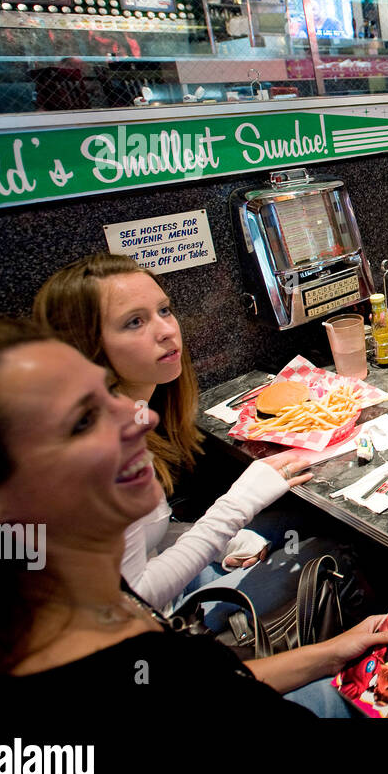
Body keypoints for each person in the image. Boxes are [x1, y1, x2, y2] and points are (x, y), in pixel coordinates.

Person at [0, 317, 388, 718]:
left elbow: (224, 682)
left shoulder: (89, 605)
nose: (142, 417)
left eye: (107, 394)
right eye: (82, 421)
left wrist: (332, 652)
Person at [34, 254, 313, 613]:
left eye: (164, 310)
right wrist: (236, 507)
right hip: (154, 630)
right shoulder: (99, 457)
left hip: (170, 579)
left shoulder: (126, 420)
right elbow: (134, 597)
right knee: (337, 551)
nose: (166, 330)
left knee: (295, 521)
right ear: (86, 348)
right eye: (134, 322)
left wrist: (222, 539)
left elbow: (139, 540)